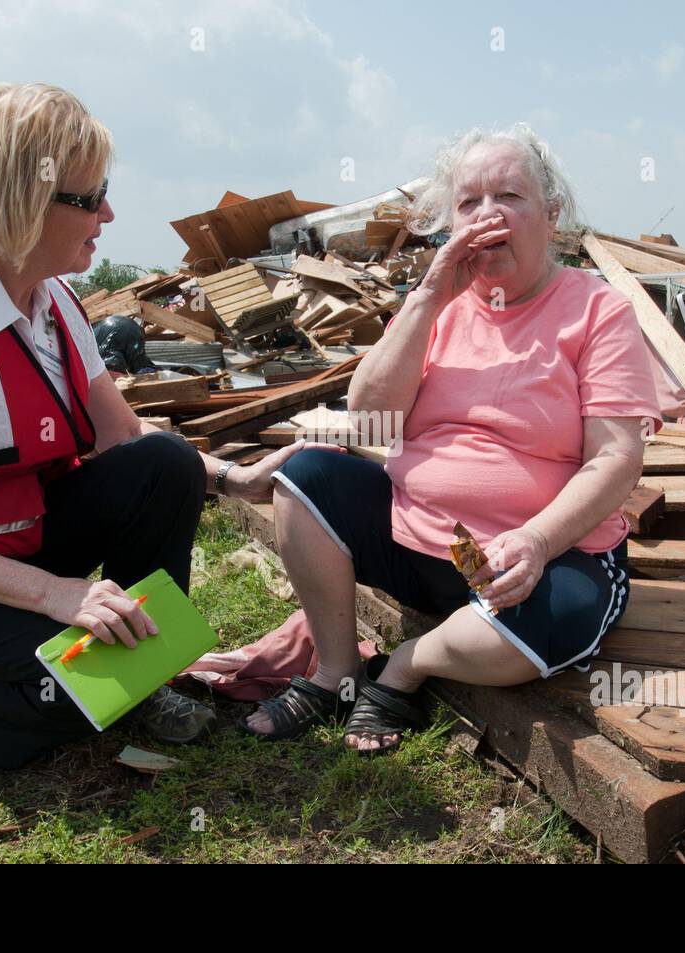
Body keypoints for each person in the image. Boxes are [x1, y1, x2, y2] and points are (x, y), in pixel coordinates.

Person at [0, 83, 315, 771]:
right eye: (88, 199)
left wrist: (237, 479)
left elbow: (125, 441)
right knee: (57, 713)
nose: (109, 213)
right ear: (19, 203)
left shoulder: (53, 304)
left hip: (7, 535)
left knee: (166, 464)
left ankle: (137, 673)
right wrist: (56, 595)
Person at [242, 124, 661, 753]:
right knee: (306, 480)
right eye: (469, 202)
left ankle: (408, 664)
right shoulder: (437, 306)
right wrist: (430, 296)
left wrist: (539, 539)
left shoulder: (597, 310)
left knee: (562, 615)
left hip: (534, 559)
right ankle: (336, 674)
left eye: (508, 197)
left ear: (551, 214)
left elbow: (616, 456)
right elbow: (370, 420)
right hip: (425, 548)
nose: (486, 217)